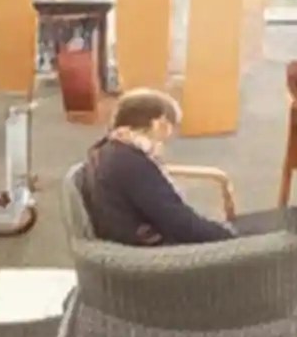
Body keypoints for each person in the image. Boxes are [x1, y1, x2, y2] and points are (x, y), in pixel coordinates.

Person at [79, 89, 235, 246]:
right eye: (171, 126)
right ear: (159, 123)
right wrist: (231, 237)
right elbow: (180, 224)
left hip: (130, 237)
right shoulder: (132, 163)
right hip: (149, 255)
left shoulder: (110, 148)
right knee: (252, 245)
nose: (170, 136)